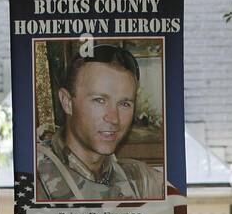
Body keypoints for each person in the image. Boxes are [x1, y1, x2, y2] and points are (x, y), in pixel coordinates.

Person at [36, 44, 164, 201]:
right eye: (99, 100)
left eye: (124, 104)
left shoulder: (141, 181)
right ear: (67, 102)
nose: (113, 118)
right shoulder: (34, 177)